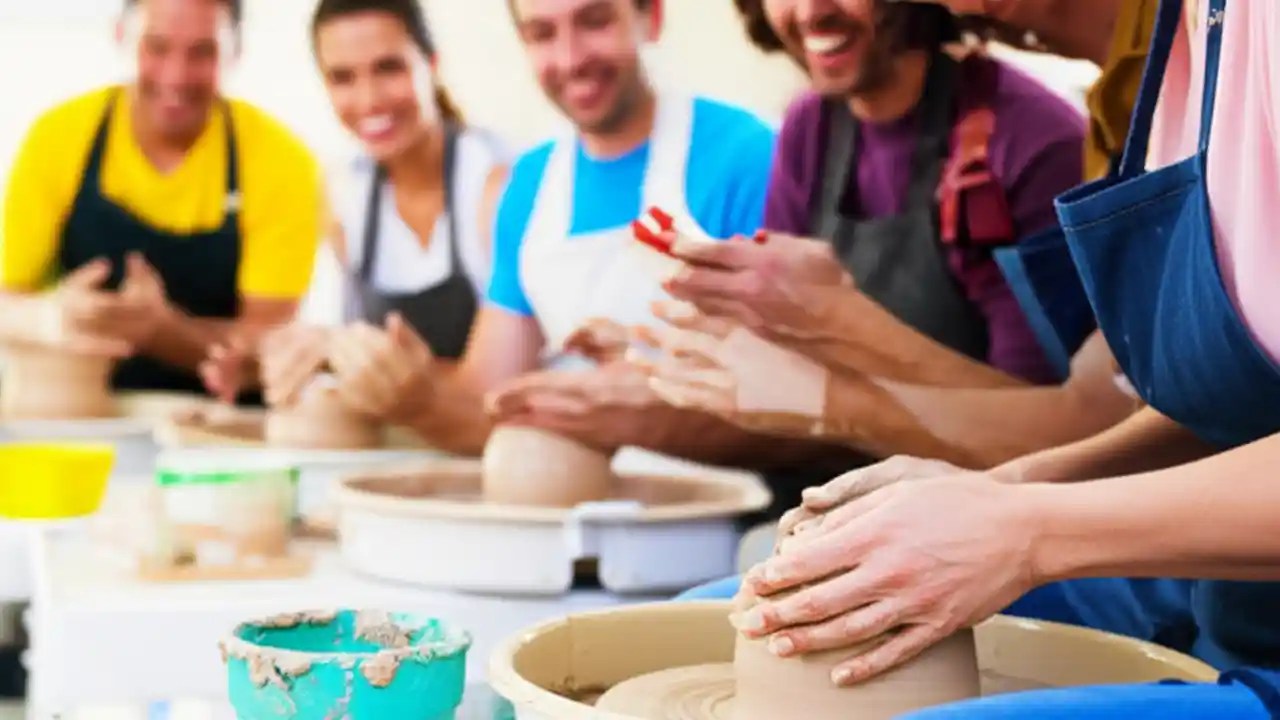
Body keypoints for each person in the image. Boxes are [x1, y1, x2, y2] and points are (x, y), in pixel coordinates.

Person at [721, 0, 1280, 716]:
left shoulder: (1032, 126)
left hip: (1235, 610)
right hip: (1228, 596)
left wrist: (1027, 530)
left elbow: (1074, 408)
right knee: (733, 608)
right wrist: (1004, 490)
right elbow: (1234, 401)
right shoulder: (1182, 52)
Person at [316, 0, 833, 477]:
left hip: (732, 532)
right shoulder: (530, 186)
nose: (570, 58)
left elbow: (815, 413)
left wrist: (653, 410)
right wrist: (415, 397)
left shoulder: (747, 157)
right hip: (571, 528)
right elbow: (488, 406)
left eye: (594, 21)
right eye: (542, 34)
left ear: (649, 17)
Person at [633, 0, 1090, 520]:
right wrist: (657, 353)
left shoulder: (1031, 142)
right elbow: (787, 376)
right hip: (848, 511)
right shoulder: (809, 127)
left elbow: (1048, 442)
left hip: (999, 522)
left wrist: (836, 318)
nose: (810, 12)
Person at [0, 0, 323, 397]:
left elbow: (270, 344)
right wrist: (47, 318)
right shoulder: (57, 138)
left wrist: (164, 331)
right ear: (121, 38)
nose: (176, 76)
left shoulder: (282, 161)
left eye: (203, 52)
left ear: (236, 53)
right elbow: (6, 305)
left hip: (221, 423)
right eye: (156, 47)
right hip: (80, 405)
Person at [200, 0, 509, 407]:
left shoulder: (495, 186)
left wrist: (338, 352)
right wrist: (263, 367)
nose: (369, 99)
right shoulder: (347, 196)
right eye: (343, 78)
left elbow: (497, 383)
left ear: (431, 66)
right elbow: (343, 358)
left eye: (389, 68)